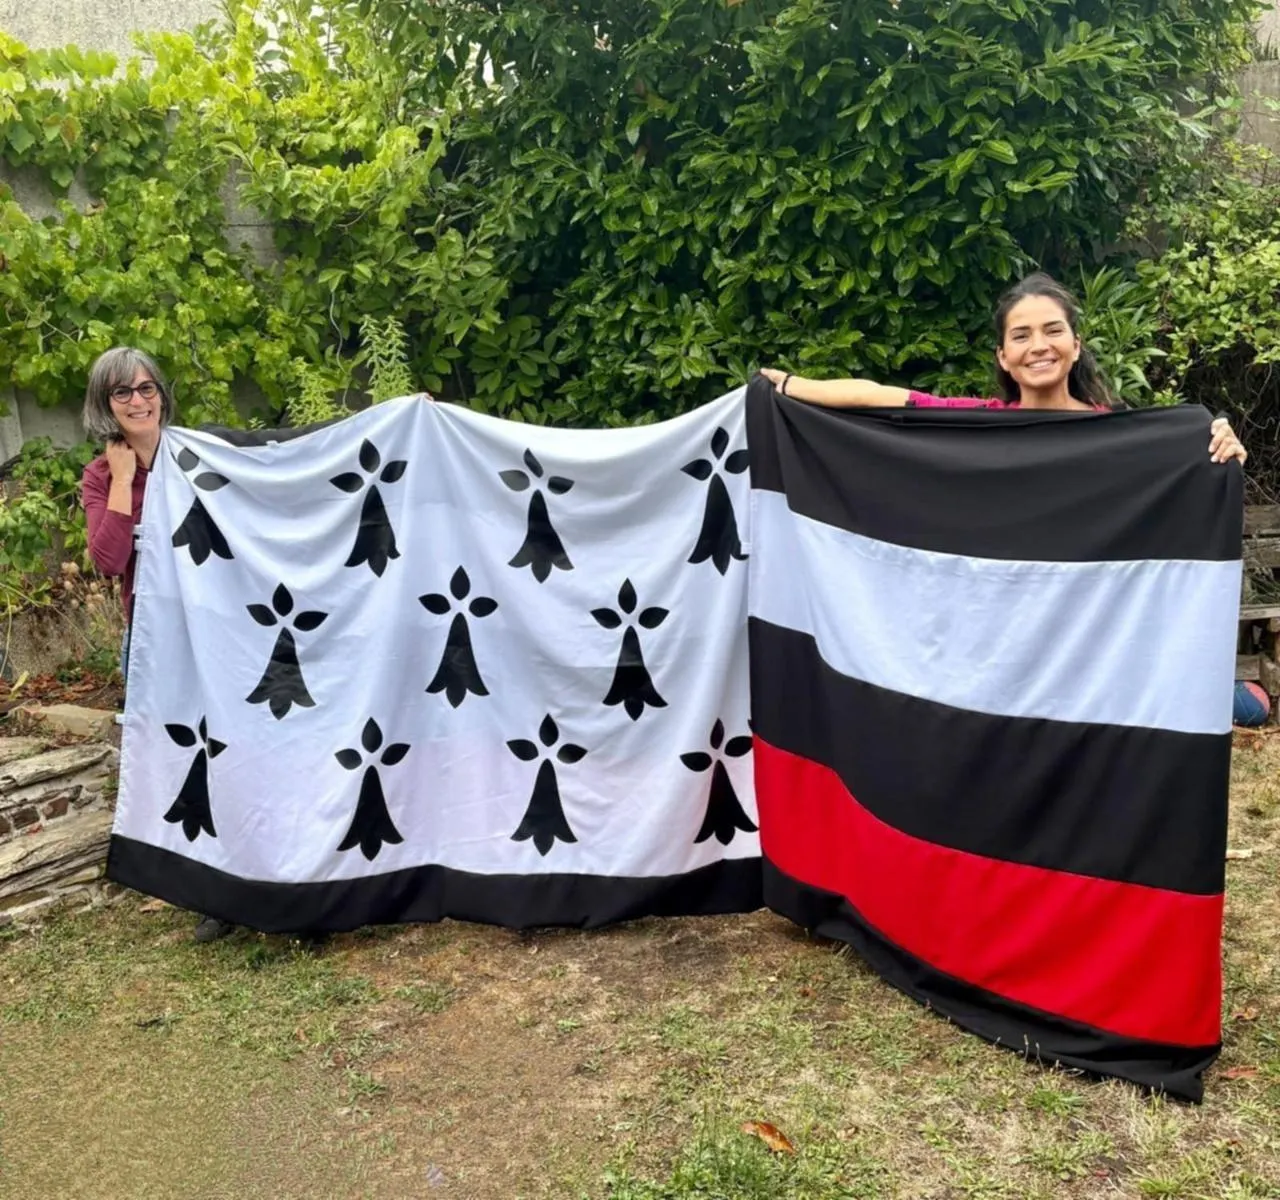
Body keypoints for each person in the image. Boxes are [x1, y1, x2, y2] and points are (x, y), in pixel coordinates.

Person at [760, 272, 1248, 465]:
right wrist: (788, 386)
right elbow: (882, 396)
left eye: (1053, 331)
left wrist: (1218, 449)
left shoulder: (1118, 431)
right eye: (1021, 336)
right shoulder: (981, 424)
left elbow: (1184, 488)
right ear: (1003, 357)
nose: (1039, 347)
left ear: (1075, 346)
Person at [80, 347, 235, 946]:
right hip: (154, 642)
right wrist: (123, 479)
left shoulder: (201, 454)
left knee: (240, 750)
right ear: (105, 404)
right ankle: (213, 894)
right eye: (122, 392)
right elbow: (108, 559)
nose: (138, 401)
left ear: (161, 394)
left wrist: (395, 420)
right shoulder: (102, 476)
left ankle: (270, 876)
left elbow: (284, 456)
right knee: (185, 759)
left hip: (224, 632)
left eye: (147, 388)